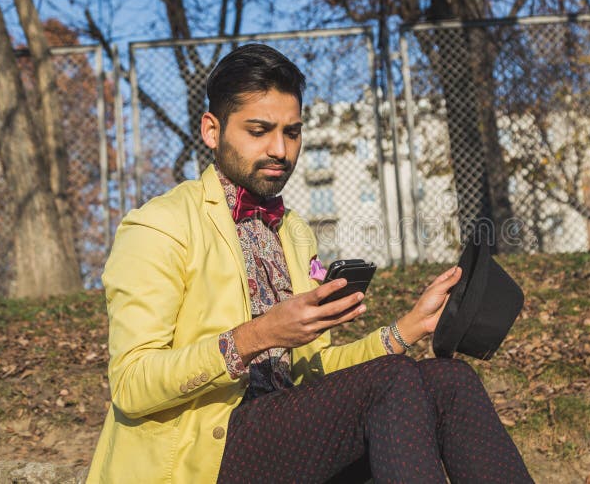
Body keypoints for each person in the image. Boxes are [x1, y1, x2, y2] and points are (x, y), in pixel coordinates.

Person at [86, 43, 534, 483]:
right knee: (391, 382)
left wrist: (407, 329)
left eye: (292, 132)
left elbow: (314, 374)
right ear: (212, 130)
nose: (280, 149)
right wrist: (256, 336)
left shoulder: (293, 232)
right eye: (258, 131)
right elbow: (131, 384)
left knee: (449, 382)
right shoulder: (159, 226)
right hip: (201, 455)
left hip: (283, 440)